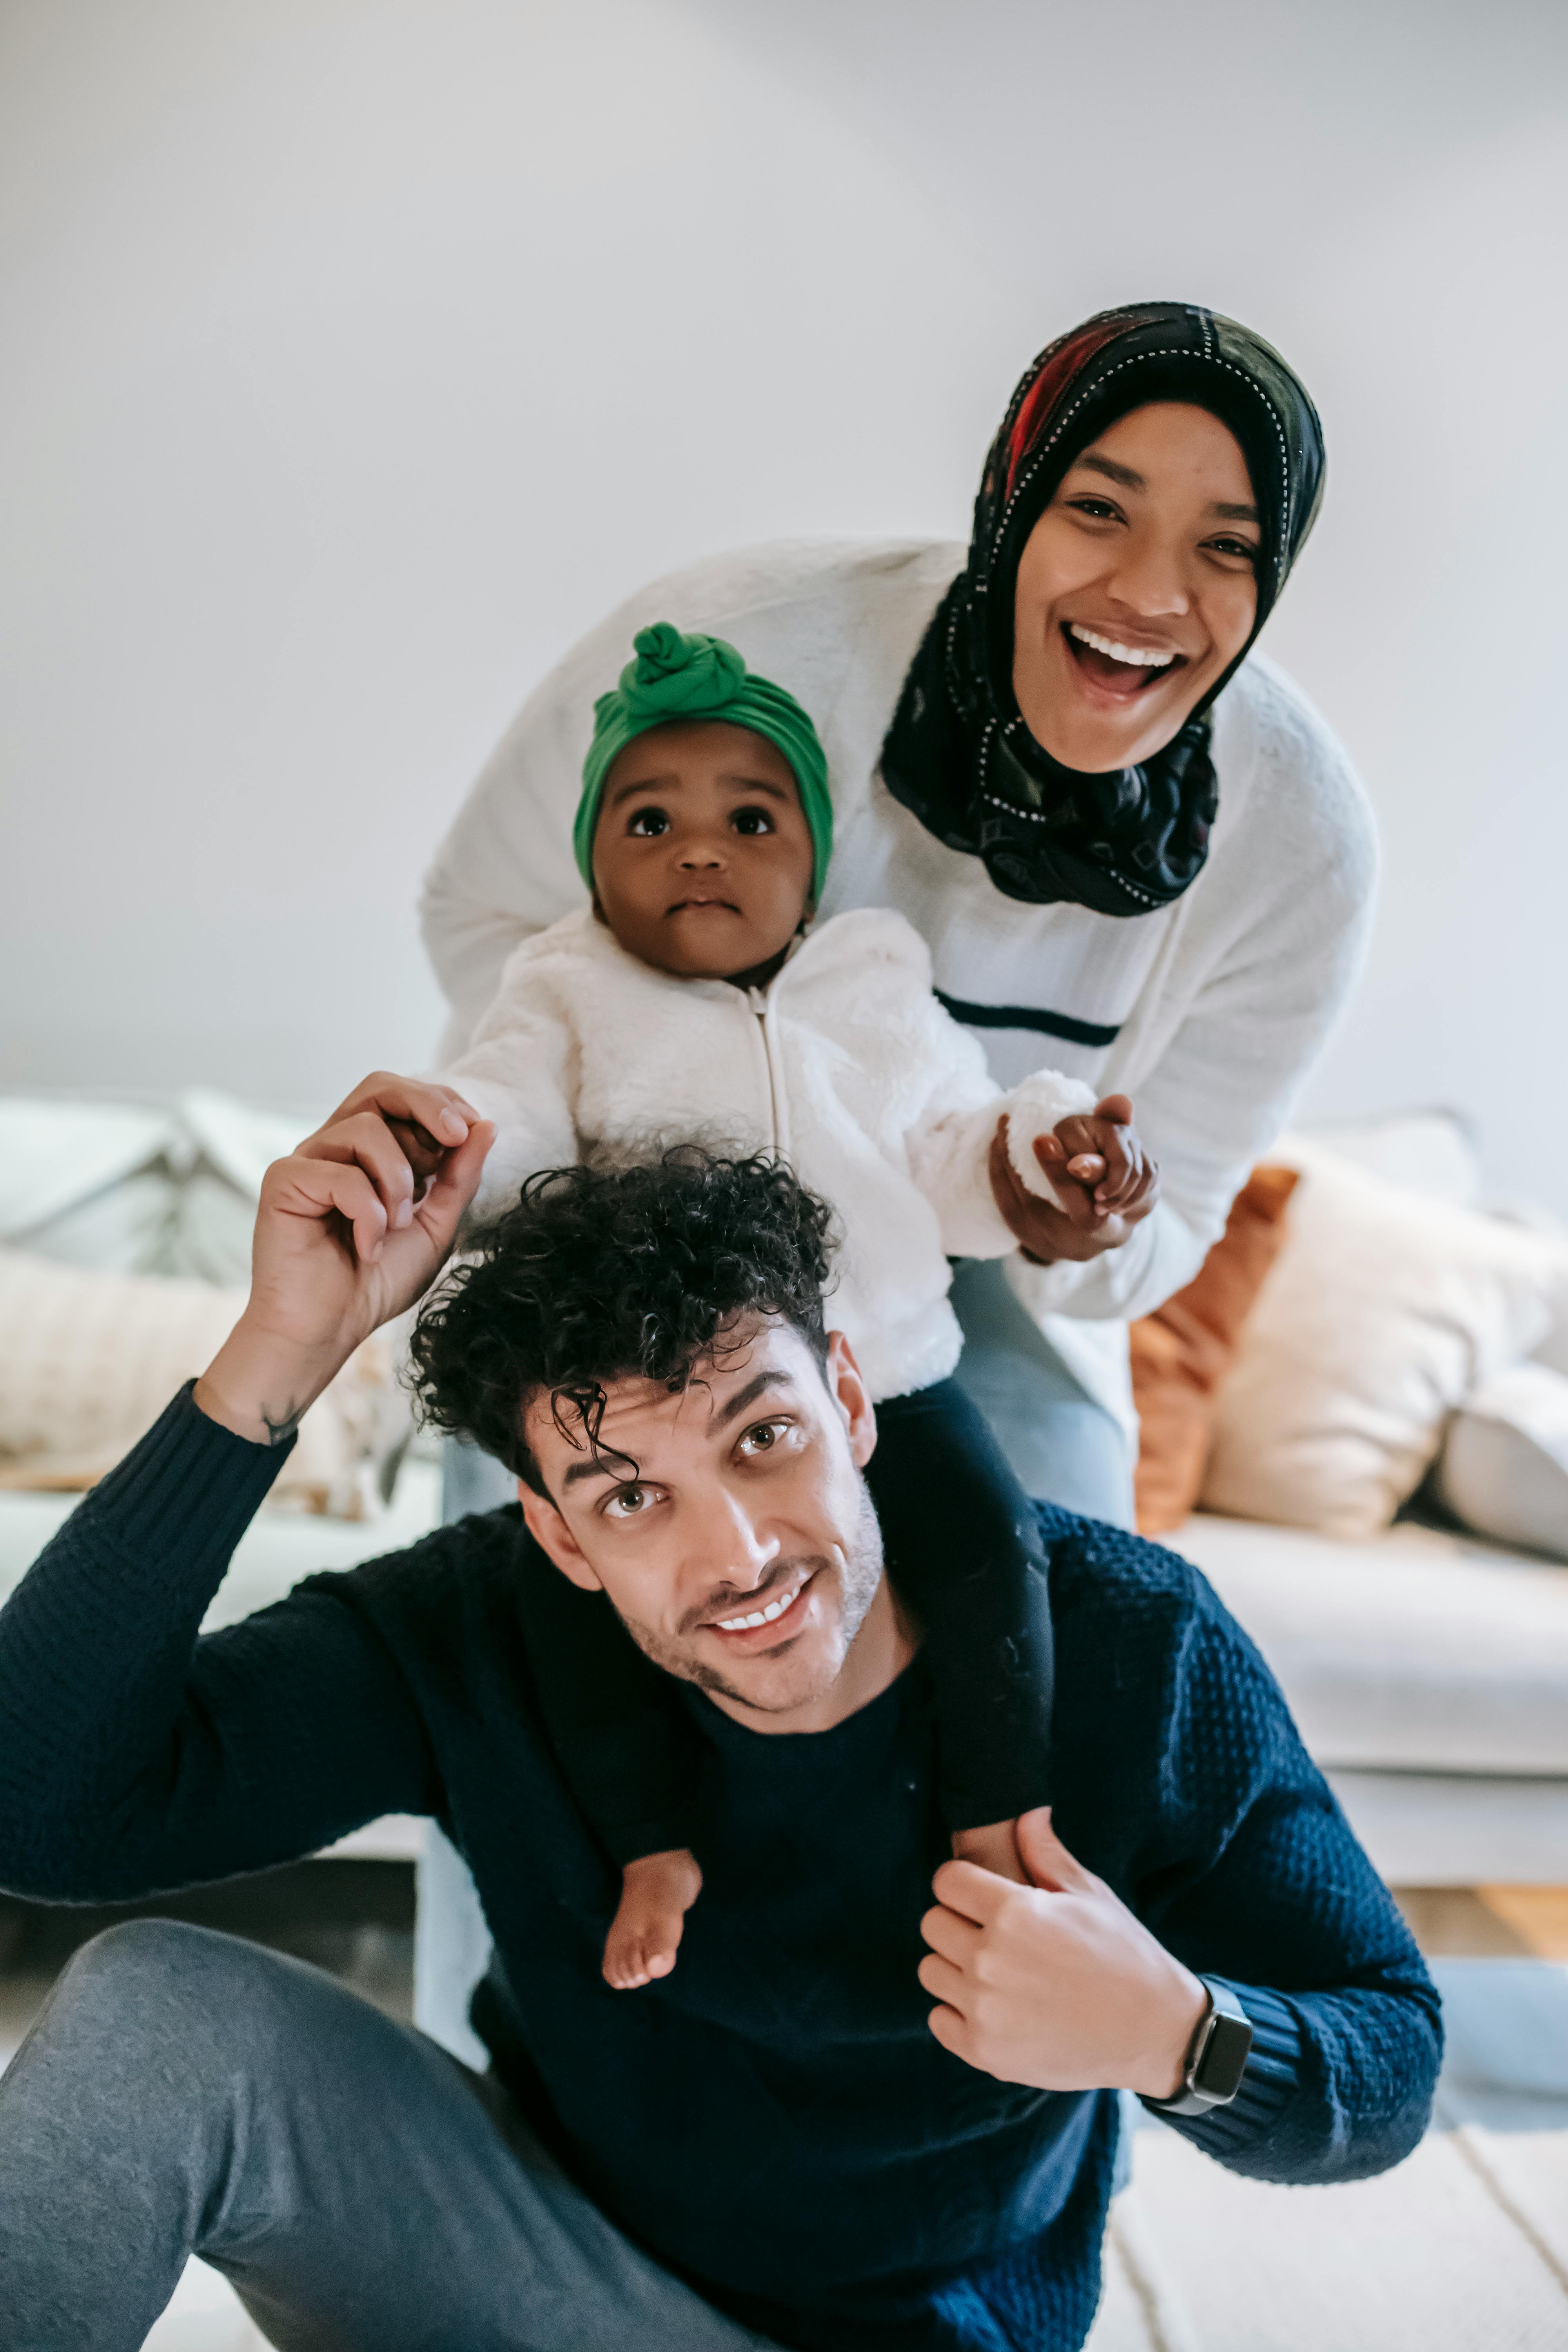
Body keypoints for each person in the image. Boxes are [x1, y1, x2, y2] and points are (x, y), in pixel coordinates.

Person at [0, 1081, 1440, 2352]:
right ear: (560, 1537)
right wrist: (272, 1359)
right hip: (543, 2278)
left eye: (766, 1437)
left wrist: (1176, 2037)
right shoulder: (480, 1623)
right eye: (633, 1498)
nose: (742, 1557)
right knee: (156, 2012)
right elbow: (40, 1808)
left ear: (854, 1401)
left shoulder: (1134, 1644)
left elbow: (1391, 2056)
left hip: (922, 2338)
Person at [421, 301, 1375, 1522]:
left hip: (964, 1270)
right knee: (523, 1582)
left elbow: (1168, 1223)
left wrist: (1073, 1221)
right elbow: (482, 912)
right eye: (1097, 507)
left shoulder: (1297, 845)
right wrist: (628, 1126)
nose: (1149, 592)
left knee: (1069, 1595)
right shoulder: (750, 647)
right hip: (626, 1225)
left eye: (1227, 547)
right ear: (1013, 498)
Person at [439, 614, 1158, 1991]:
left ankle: (998, 1817)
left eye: (750, 818)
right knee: (565, 1612)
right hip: (664, 1403)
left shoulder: (871, 981)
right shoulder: (570, 986)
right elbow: (513, 1115)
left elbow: (951, 1142)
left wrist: (1044, 1153)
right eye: (647, 822)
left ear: (814, 868)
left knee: (995, 1551)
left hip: (882, 1364)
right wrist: (442, 1134)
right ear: (592, 867)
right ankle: (653, 1843)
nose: (699, 849)